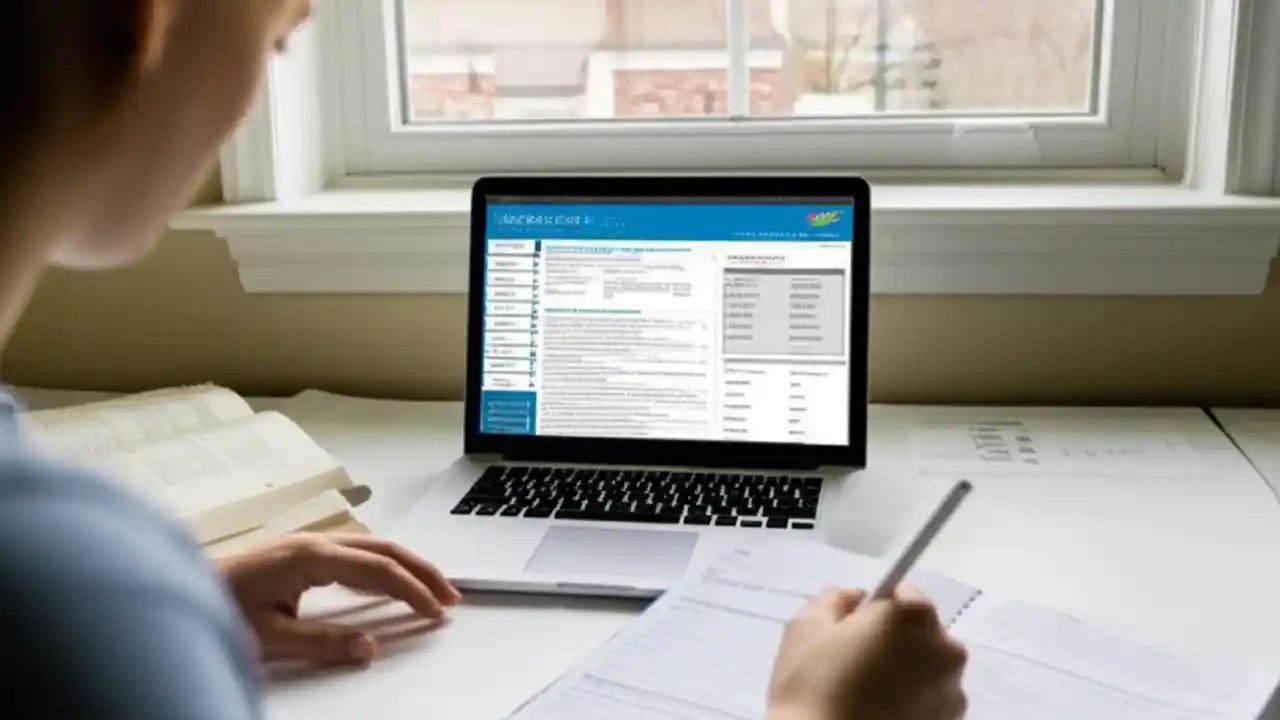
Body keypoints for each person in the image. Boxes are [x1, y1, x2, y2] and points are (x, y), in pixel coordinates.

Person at [0, 1, 967, 718]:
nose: (253, 100)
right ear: (146, 21)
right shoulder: (67, 594)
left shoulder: (73, 591)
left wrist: (183, 609)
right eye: (279, 36)